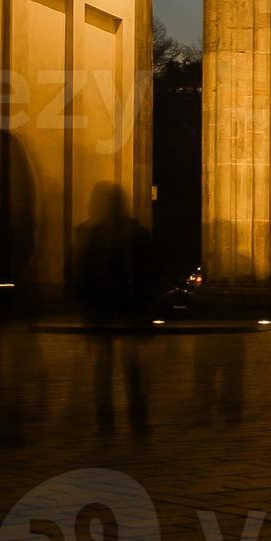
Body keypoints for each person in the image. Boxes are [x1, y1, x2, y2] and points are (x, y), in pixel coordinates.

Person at [75, 182, 156, 434]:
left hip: (106, 310)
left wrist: (86, 310)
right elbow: (151, 273)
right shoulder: (138, 233)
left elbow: (85, 275)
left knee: (105, 370)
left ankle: (106, 421)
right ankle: (137, 418)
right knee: (131, 370)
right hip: (128, 309)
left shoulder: (94, 234)